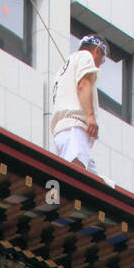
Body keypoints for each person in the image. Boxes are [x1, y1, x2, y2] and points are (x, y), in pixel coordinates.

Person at [51, 34, 109, 174]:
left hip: (63, 131)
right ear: (97, 51)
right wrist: (90, 116)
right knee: (76, 176)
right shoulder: (85, 57)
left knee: (95, 185)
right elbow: (83, 84)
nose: (101, 63)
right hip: (74, 129)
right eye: (103, 59)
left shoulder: (62, 70)